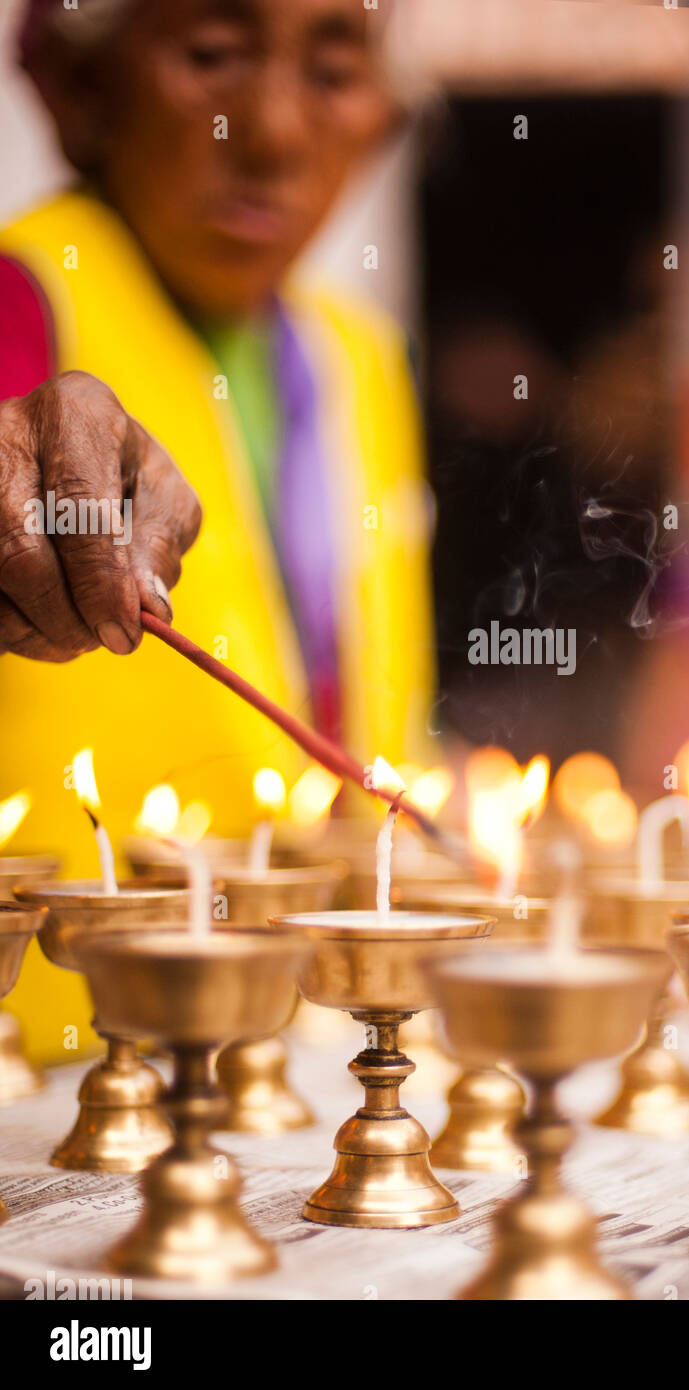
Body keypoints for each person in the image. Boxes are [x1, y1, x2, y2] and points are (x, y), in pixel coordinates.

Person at [0, 0, 435, 1061]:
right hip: (54, 1076)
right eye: (210, 55)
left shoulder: (359, 359)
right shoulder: (20, 305)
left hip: (298, 1065)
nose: (275, 132)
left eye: (333, 72)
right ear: (74, 84)